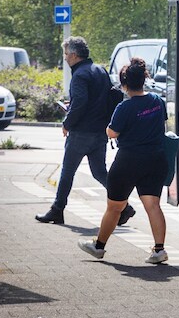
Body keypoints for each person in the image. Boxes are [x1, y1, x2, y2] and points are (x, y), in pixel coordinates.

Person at [78, 57, 169, 264]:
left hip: (129, 161)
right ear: (144, 79)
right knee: (153, 205)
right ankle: (159, 250)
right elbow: (159, 123)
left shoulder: (124, 107)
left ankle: (99, 247)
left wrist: (107, 127)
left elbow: (112, 133)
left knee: (114, 207)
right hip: (155, 159)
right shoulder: (157, 101)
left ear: (124, 84)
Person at [36, 36, 136, 226]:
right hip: (100, 133)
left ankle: (57, 210)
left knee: (67, 172)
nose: (65, 58)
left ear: (74, 55)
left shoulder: (79, 75)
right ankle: (125, 207)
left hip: (81, 133)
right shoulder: (100, 70)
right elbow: (100, 100)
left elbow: (81, 103)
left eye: (66, 54)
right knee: (99, 172)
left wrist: (67, 122)